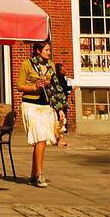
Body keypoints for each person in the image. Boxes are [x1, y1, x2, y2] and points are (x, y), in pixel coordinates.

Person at [18, 41, 60, 187]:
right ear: (38, 50)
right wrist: (34, 86)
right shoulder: (27, 64)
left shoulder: (51, 66)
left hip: (45, 104)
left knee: (42, 140)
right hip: (31, 104)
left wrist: (48, 84)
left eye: (50, 50)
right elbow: (19, 86)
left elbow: (55, 85)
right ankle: (39, 174)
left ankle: (32, 175)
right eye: (47, 50)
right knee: (40, 137)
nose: (49, 52)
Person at [53, 62, 72, 147]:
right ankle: (60, 138)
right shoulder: (60, 78)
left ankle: (60, 138)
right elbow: (64, 87)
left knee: (59, 118)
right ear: (60, 70)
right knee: (61, 119)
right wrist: (72, 87)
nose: (65, 71)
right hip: (60, 101)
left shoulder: (55, 77)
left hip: (58, 101)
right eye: (64, 69)